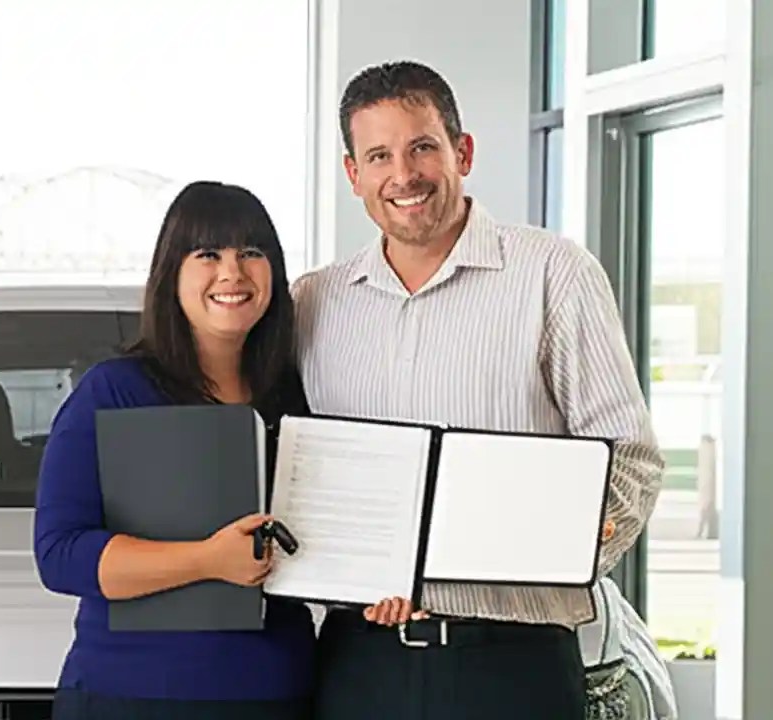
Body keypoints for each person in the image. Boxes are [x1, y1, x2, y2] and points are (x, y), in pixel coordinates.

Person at [291, 59, 665, 719]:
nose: (403, 175)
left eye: (422, 147)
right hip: (359, 661)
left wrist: (557, 549)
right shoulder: (314, 302)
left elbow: (629, 463)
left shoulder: (554, 275)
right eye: (379, 156)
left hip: (513, 663)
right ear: (353, 174)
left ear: (462, 152)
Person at [34, 180, 316, 720]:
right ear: (172, 273)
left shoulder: (295, 397)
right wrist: (208, 560)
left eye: (251, 252)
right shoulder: (116, 392)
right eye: (208, 253)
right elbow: (60, 555)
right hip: (130, 695)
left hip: (275, 692)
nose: (232, 272)